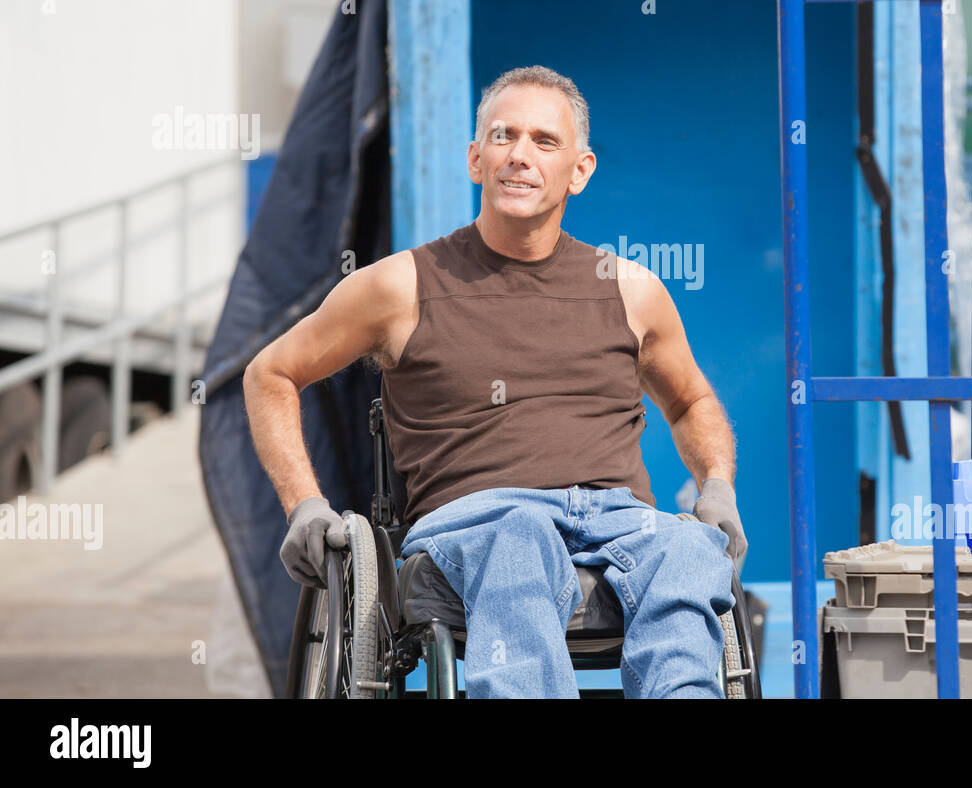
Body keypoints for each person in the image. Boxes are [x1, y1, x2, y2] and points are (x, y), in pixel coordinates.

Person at [243, 64, 747, 698]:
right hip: (481, 520)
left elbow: (692, 399)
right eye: (503, 137)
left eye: (544, 141)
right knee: (522, 536)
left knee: (689, 550)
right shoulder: (401, 286)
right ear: (476, 158)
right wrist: (304, 504)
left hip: (620, 521)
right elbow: (271, 371)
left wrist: (717, 489)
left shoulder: (630, 288)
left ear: (580, 170)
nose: (519, 156)